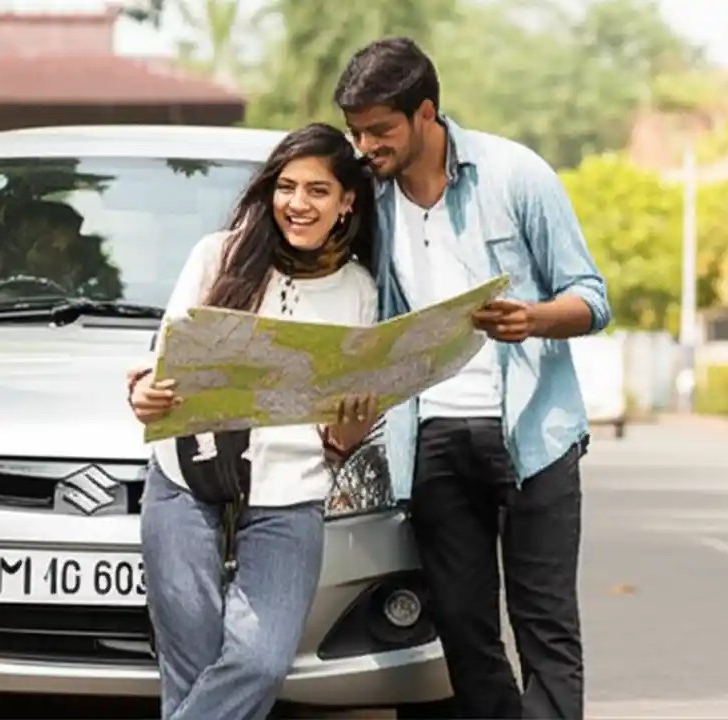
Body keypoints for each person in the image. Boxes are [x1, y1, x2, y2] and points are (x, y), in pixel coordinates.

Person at [332, 37, 612, 719]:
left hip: (531, 435)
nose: (366, 146)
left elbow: (593, 298)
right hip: (429, 434)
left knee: (544, 627)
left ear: (426, 113)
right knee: (460, 627)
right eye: (356, 131)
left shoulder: (516, 175)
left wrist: (535, 318)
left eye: (380, 131)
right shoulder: (371, 198)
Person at [125, 123, 382, 720]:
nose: (298, 203)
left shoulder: (357, 291)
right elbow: (161, 360)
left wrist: (350, 430)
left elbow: (338, 439)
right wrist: (144, 393)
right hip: (185, 479)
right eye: (287, 186)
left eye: (318, 190)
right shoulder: (217, 255)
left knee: (261, 663)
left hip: (289, 496)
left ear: (347, 202)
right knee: (191, 667)